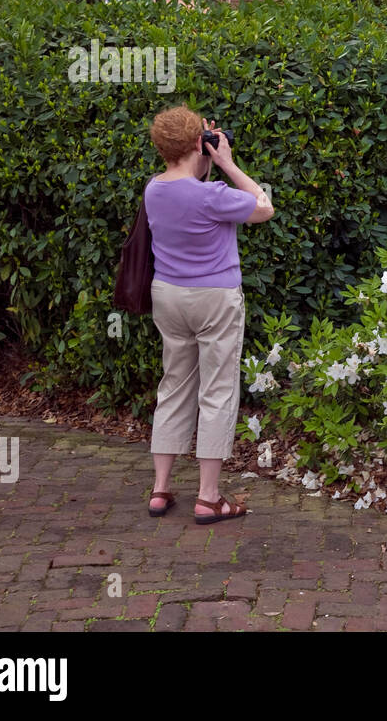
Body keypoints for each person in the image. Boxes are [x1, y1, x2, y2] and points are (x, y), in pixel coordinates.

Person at [143, 105, 274, 523]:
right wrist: (227, 162)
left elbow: (183, 185)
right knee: (216, 391)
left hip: (168, 295)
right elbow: (263, 207)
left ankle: (160, 489)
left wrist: (200, 159)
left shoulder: (153, 189)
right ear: (199, 144)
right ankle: (209, 497)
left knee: (174, 384)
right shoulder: (213, 194)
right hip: (214, 297)